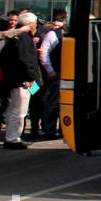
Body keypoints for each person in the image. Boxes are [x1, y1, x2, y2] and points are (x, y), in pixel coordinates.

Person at [0, 11, 43, 150]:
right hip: (22, 82)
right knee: (19, 110)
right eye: (35, 22)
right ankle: (13, 138)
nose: (36, 25)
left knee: (19, 109)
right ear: (30, 24)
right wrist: (29, 79)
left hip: (22, 81)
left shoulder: (20, 38)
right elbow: (25, 61)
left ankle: (13, 136)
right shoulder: (24, 38)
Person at [38, 10, 67, 140]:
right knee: (53, 103)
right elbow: (43, 53)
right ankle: (48, 130)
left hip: (70, 74)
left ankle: (64, 130)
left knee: (66, 104)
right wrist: (50, 70)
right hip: (57, 74)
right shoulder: (53, 34)